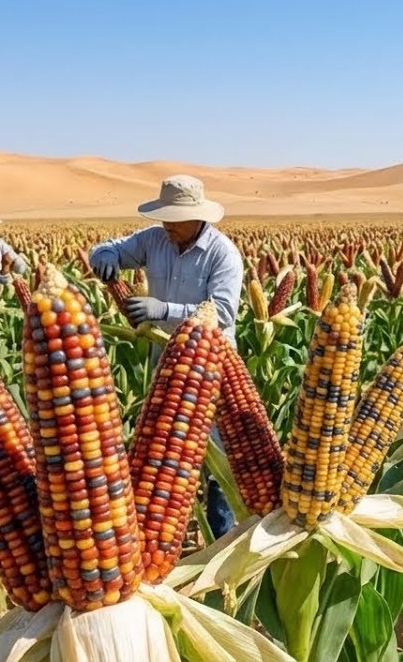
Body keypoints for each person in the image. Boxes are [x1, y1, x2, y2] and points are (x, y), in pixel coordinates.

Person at [88, 174, 243, 538]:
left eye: (174, 218)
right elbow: (110, 248)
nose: (167, 225)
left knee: (217, 460)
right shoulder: (155, 239)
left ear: (198, 216)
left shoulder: (223, 255)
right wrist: (105, 256)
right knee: (164, 459)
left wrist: (165, 309)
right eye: (165, 217)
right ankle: (160, 537)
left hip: (210, 368)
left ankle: (222, 538)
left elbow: (222, 313)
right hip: (168, 365)